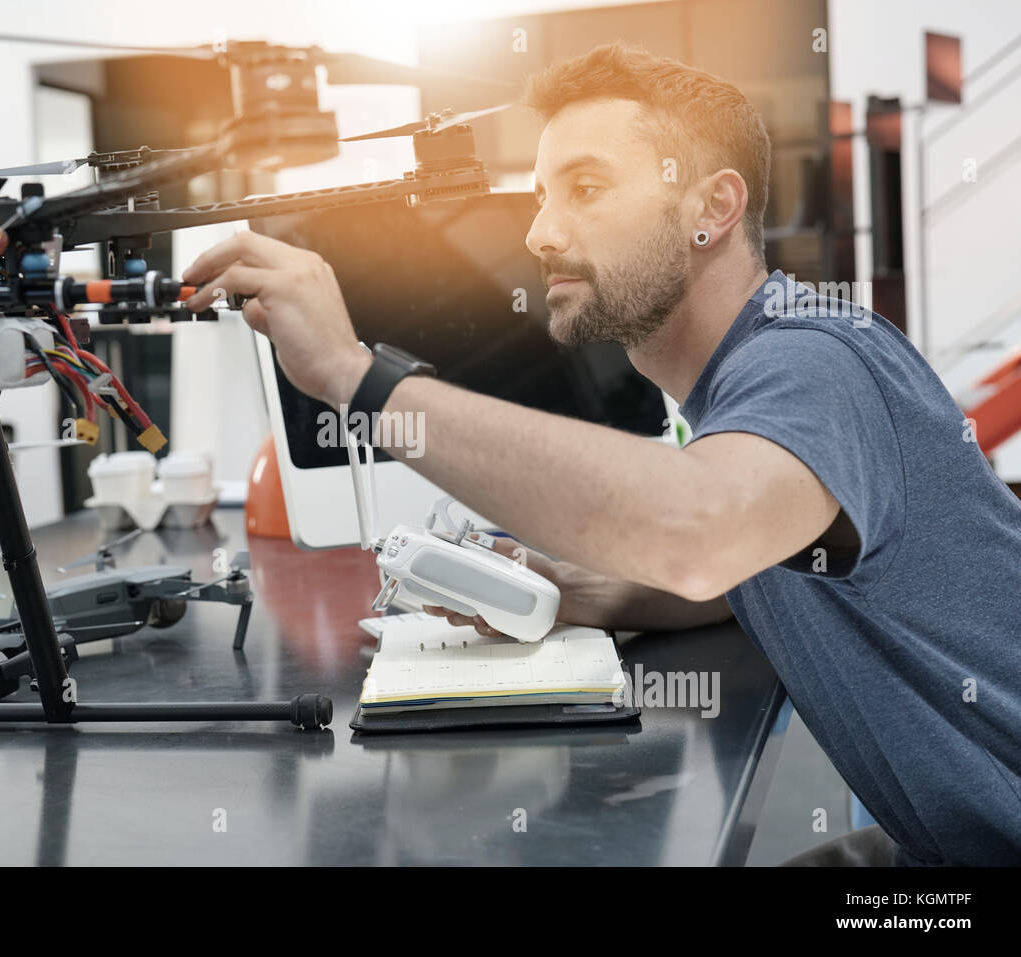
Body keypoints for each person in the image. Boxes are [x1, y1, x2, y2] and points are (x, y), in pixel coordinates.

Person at [181, 42, 1021, 866]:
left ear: (711, 209)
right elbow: (754, 564)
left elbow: (702, 533)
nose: (542, 233)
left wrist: (353, 378)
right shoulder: (748, 382)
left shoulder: (809, 361)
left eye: (586, 188)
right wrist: (585, 590)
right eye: (543, 196)